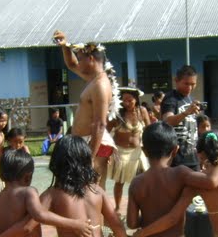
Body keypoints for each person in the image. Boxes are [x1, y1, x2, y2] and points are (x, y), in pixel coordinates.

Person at [52, 31, 118, 181]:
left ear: (91, 59)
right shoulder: (93, 79)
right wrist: (65, 46)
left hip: (94, 144)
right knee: (83, 190)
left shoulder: (100, 85)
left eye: (81, 58)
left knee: (93, 190)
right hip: (83, 142)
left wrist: (89, 157)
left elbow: (100, 124)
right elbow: (71, 64)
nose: (79, 63)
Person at [107, 86, 151, 214]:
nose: (126, 103)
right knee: (119, 182)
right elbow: (105, 132)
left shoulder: (142, 111)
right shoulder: (117, 114)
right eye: (124, 100)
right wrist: (109, 151)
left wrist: (150, 149)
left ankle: (142, 207)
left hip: (137, 153)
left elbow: (149, 129)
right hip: (121, 153)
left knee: (142, 181)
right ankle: (117, 207)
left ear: (136, 99)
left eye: (130, 100)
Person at [161, 65, 201, 170]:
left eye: (193, 84)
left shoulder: (190, 99)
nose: (189, 88)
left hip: (193, 156)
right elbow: (167, 121)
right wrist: (186, 113)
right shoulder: (171, 98)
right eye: (186, 84)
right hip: (176, 158)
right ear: (176, 81)